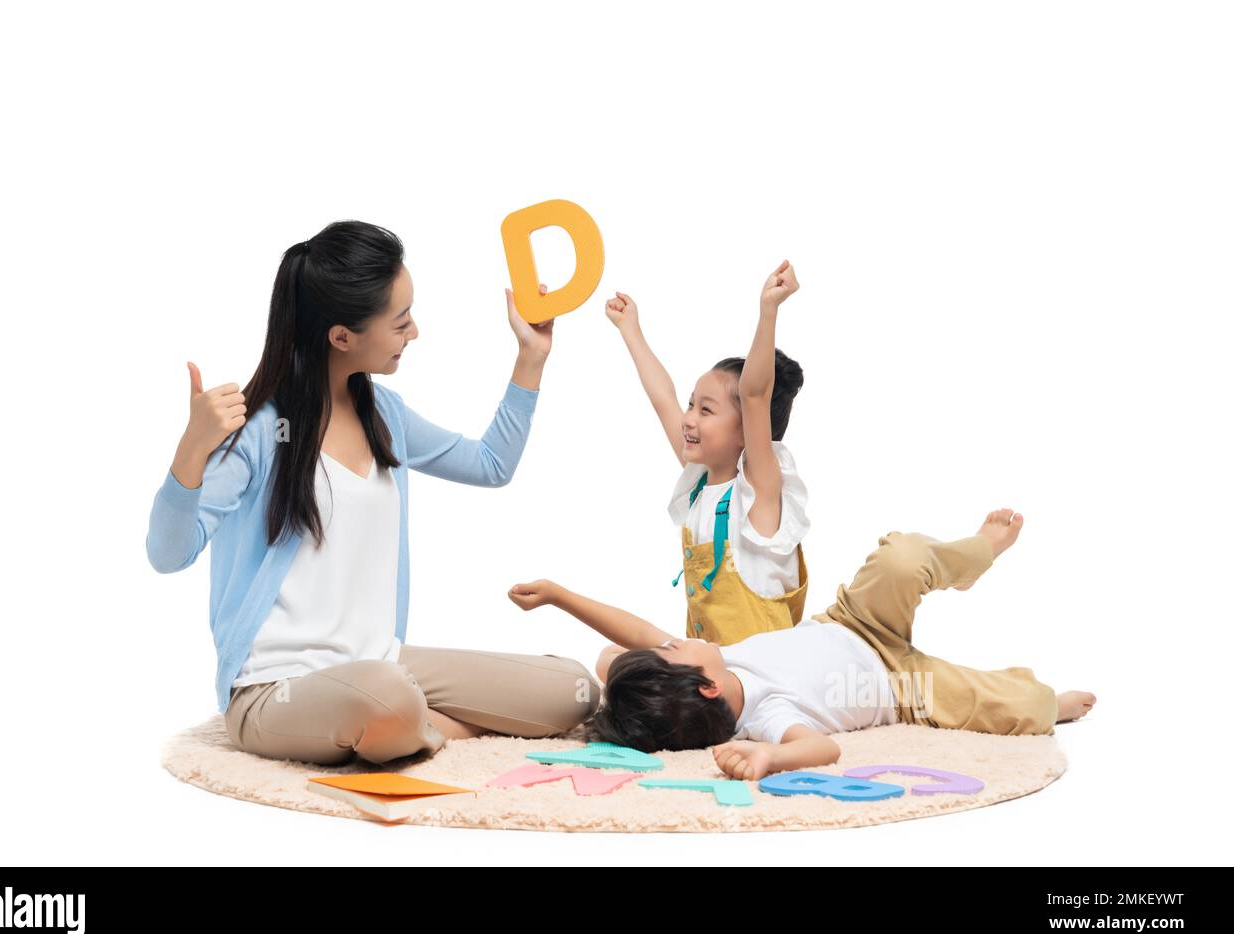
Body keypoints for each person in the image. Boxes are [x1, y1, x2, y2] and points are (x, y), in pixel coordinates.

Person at [146, 220, 600, 766]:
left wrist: (531, 357)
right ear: (342, 337)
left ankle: (413, 726)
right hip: (274, 691)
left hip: (383, 666)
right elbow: (169, 554)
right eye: (401, 322)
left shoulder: (384, 414)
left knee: (570, 690)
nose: (415, 334)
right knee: (390, 700)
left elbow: (491, 465)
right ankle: (417, 724)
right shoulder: (262, 431)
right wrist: (191, 450)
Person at [508, 509, 1096, 780]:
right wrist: (770, 758)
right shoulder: (764, 719)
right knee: (1027, 709)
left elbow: (627, 641)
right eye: (674, 651)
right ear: (706, 685)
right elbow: (822, 751)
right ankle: (1049, 702)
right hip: (902, 688)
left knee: (903, 558)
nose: (675, 641)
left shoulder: (712, 670)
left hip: (853, 621)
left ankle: (975, 556)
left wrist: (563, 597)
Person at [604, 260, 810, 647]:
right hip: (713, 671)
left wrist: (769, 310)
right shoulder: (699, 482)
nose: (688, 419)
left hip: (763, 678)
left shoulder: (760, 493)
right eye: (691, 405)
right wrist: (630, 329)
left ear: (747, 429)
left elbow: (754, 393)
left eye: (706, 410)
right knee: (611, 659)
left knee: (618, 666)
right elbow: (662, 395)